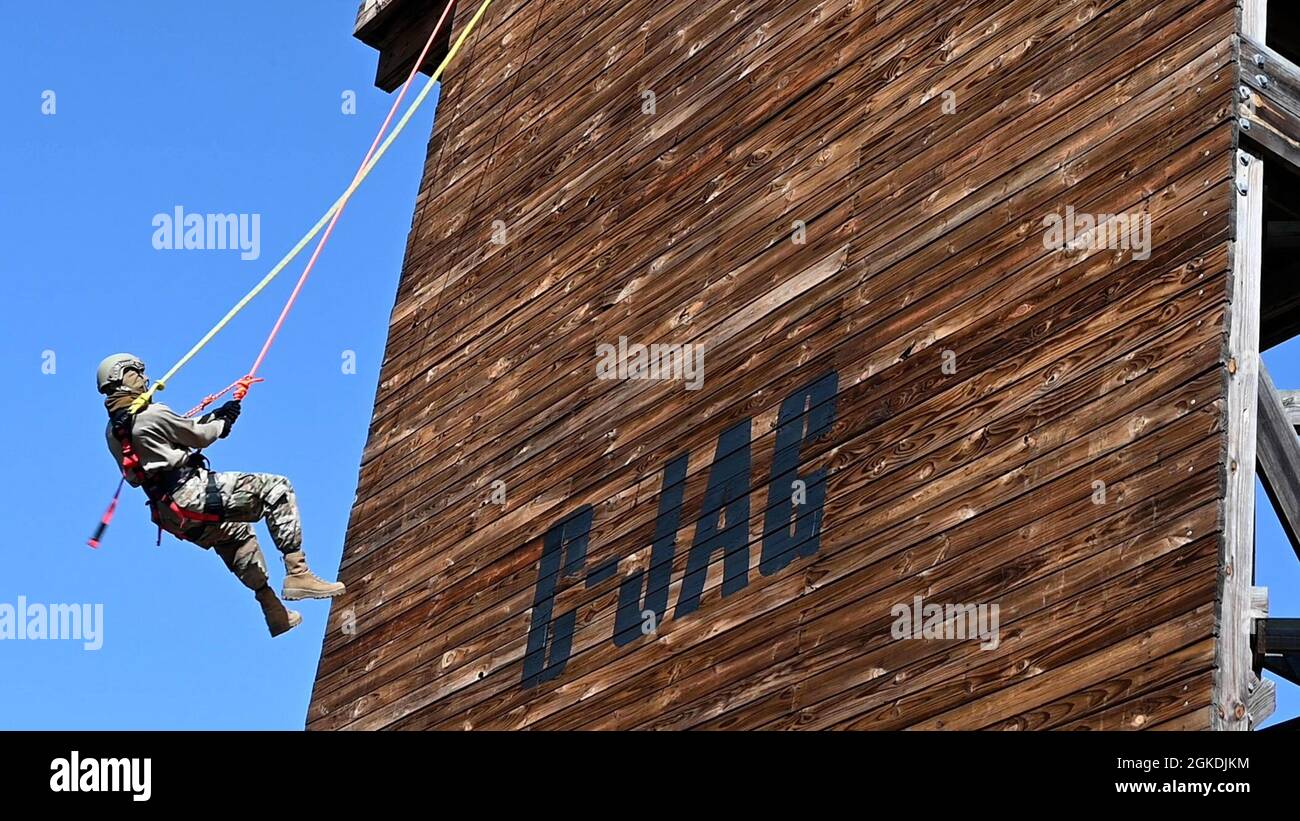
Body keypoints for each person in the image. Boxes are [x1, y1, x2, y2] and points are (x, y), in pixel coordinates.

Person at [96, 353, 345, 636]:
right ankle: (298, 572)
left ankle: (274, 610)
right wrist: (223, 422)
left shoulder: (114, 432)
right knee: (277, 489)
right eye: (136, 373)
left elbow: (168, 444)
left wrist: (213, 418)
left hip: (171, 515)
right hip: (192, 494)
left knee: (237, 538)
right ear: (122, 378)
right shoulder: (152, 413)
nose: (144, 379)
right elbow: (201, 437)